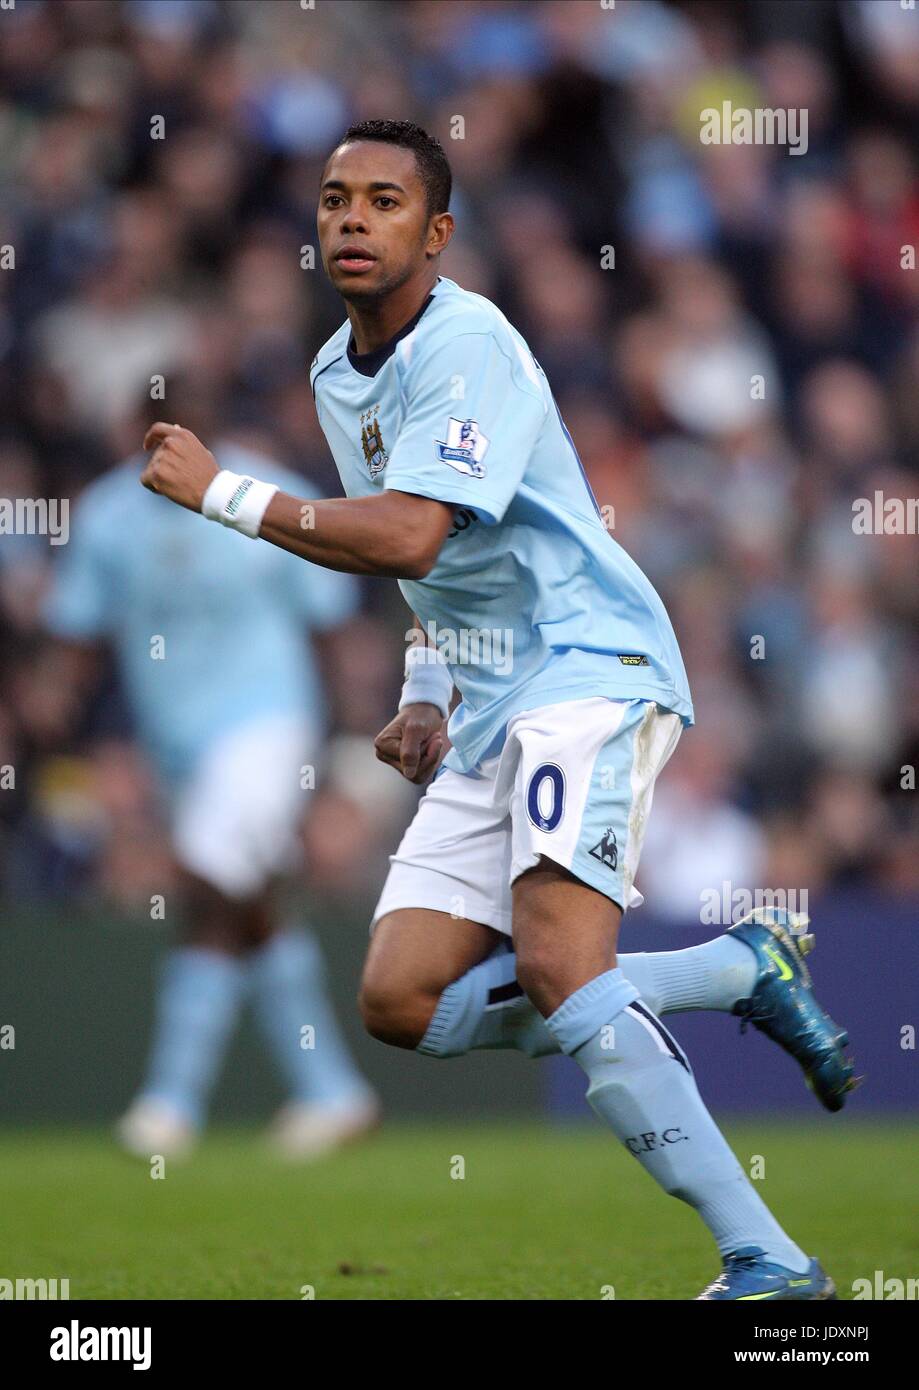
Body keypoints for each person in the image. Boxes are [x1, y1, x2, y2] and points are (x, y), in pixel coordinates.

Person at [136, 120, 855, 1298]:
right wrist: (425, 685)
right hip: (484, 691)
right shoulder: (334, 372)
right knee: (399, 999)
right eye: (332, 200)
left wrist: (221, 491)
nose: (351, 219)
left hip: (587, 664)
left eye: (381, 200)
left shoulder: (469, 344)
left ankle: (767, 1258)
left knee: (567, 968)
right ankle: (736, 969)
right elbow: (434, 565)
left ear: (437, 231)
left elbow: (411, 527)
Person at [44, 395, 379, 1160]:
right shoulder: (106, 515)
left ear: (210, 432)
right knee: (246, 899)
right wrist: (62, 711)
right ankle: (331, 1091)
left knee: (204, 876)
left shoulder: (266, 494)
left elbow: (328, 619)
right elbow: (78, 633)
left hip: (269, 726)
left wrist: (345, 739)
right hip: (175, 749)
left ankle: (169, 1104)